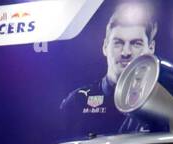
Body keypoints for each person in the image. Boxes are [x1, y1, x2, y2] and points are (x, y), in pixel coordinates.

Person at [60, 3, 158, 134]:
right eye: (118, 43)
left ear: (150, 48)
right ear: (105, 46)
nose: (126, 52)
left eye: (136, 44)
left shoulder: (163, 105)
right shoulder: (78, 102)